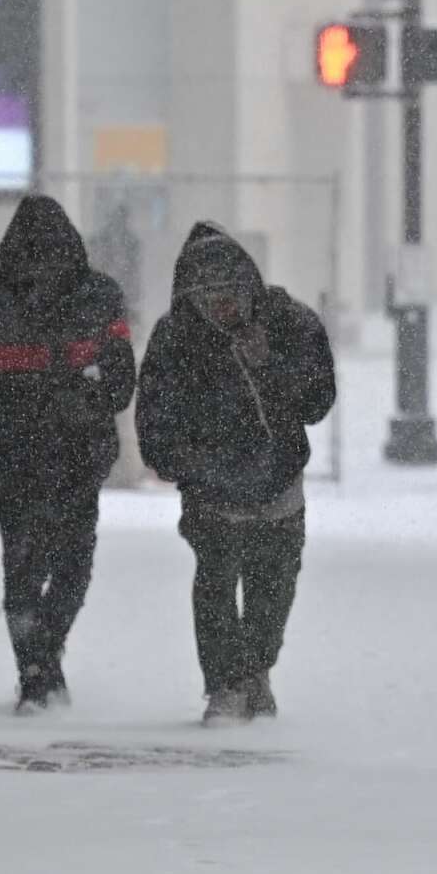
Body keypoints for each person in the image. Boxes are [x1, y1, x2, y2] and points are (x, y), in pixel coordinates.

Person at [134, 222, 337, 722]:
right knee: (216, 586)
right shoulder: (175, 337)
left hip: (278, 480)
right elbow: (154, 412)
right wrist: (181, 463)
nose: (223, 305)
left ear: (251, 287)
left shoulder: (291, 322)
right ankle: (227, 684)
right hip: (211, 487)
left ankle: (255, 671)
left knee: (274, 588)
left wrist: (271, 366)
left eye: (231, 293)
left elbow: (317, 401)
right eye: (209, 296)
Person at [0, 194, 135, 712]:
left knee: (49, 570)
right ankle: (38, 670)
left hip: (49, 457)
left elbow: (120, 380)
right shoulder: (86, 295)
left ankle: (38, 663)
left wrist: (83, 401)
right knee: (46, 570)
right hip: (37, 458)